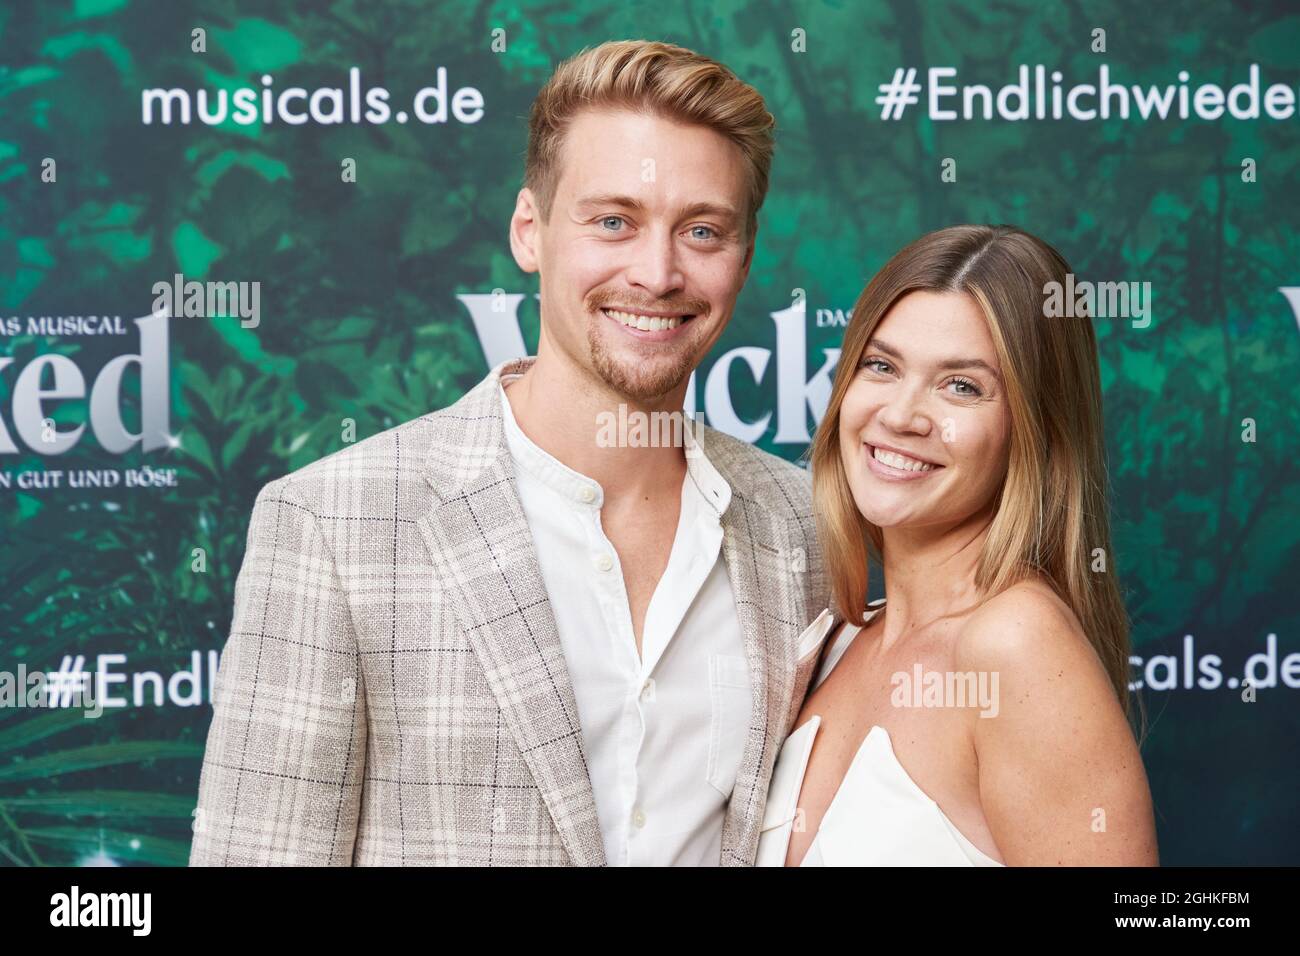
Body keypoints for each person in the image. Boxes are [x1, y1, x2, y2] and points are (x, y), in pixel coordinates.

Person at [190, 39, 830, 867]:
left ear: (743, 260)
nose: (658, 271)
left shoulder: (803, 523)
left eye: (702, 231)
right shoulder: (331, 523)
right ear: (530, 231)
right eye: (613, 222)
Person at [757, 225, 1159, 866]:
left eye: (961, 386)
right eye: (881, 366)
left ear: (1035, 431)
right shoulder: (838, 641)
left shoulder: (1014, 643)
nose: (901, 415)